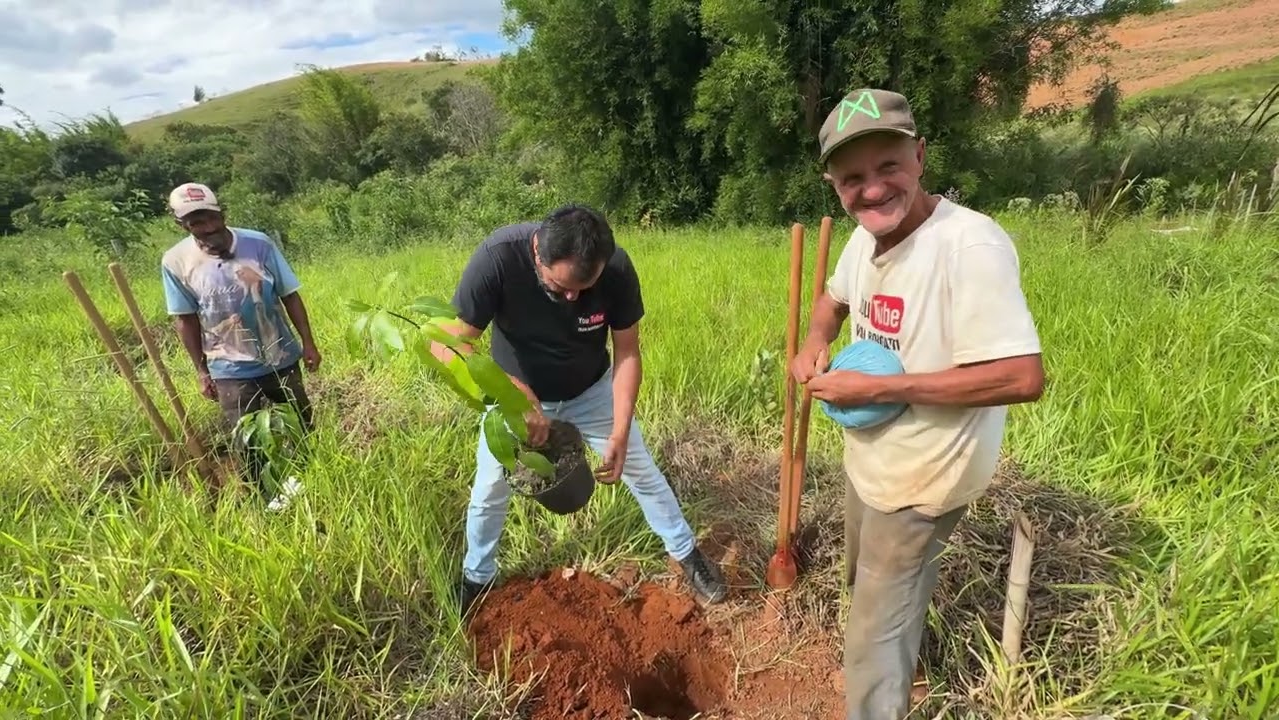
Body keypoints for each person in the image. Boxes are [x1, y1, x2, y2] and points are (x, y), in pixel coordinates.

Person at [791, 89, 1045, 718]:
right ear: (834, 185)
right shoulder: (862, 240)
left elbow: (1022, 376)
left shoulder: (969, 247)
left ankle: (877, 696)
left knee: (873, 636)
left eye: (889, 168)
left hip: (927, 473)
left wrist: (880, 388)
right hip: (873, 461)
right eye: (852, 178)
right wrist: (814, 342)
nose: (872, 190)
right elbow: (833, 300)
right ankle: (892, 648)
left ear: (921, 155)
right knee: (870, 589)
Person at [433, 204, 728, 614]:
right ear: (538, 253)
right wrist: (512, 393)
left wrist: (621, 429)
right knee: (489, 490)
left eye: (583, 289)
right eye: (562, 287)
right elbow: (445, 345)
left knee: (641, 470)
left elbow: (627, 353)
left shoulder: (617, 269)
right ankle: (476, 578)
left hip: (591, 391)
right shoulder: (498, 257)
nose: (573, 298)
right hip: (514, 399)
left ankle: (687, 555)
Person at [160, 182, 322, 511]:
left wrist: (308, 343)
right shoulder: (175, 261)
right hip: (229, 368)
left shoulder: (258, 244)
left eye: (210, 219)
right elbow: (185, 320)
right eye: (195, 224)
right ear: (182, 225)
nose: (206, 229)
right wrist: (202, 371)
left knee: (300, 422)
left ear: (222, 214)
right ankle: (266, 499)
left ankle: (312, 480)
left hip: (280, 355)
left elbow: (290, 294)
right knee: (247, 439)